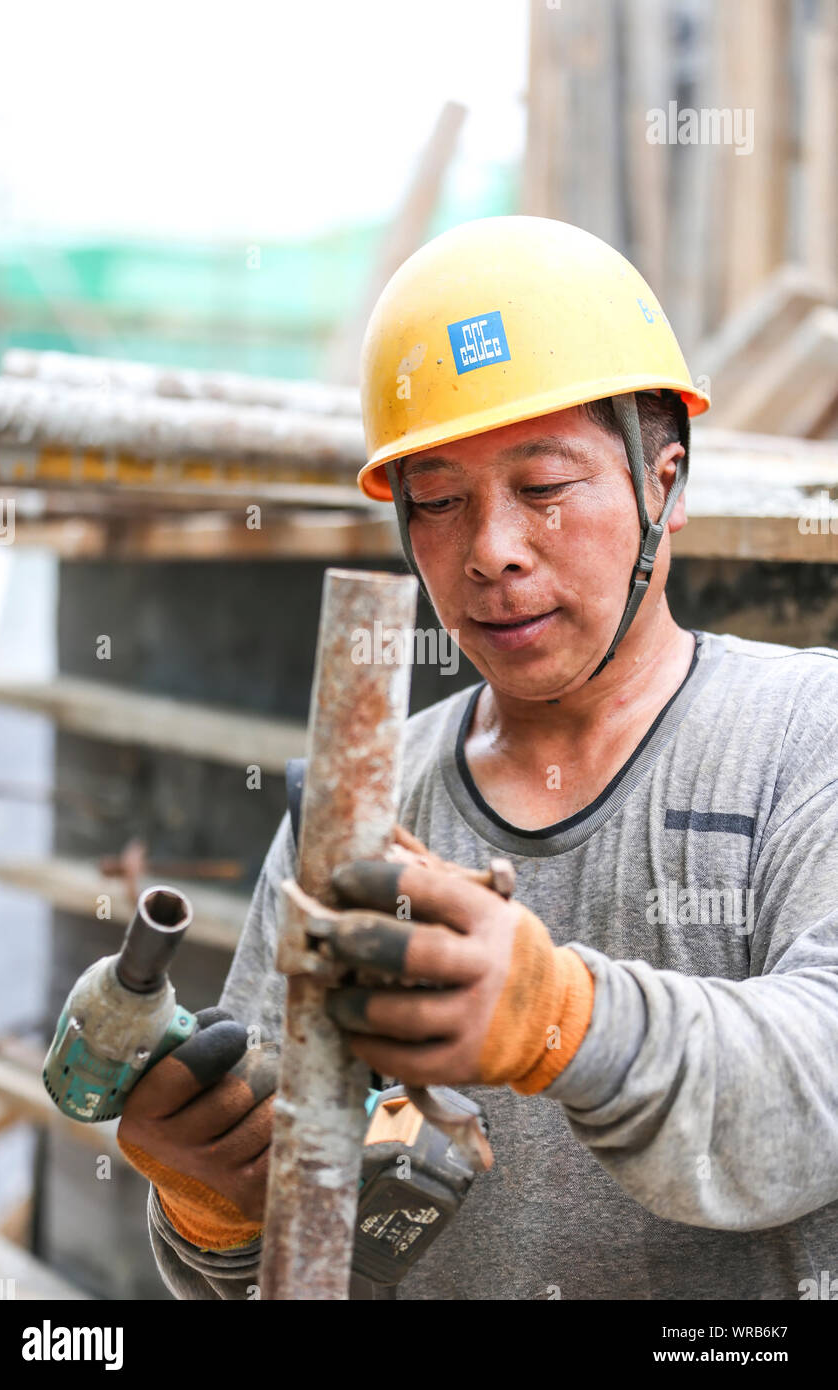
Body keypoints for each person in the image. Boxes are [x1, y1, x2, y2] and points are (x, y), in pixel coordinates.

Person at [119, 216, 838, 1300]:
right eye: (441, 501)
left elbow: (813, 1092)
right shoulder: (362, 800)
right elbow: (302, 1267)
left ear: (666, 486)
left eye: (544, 485)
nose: (492, 548)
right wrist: (216, 1205)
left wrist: (563, 1018)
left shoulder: (803, 736)